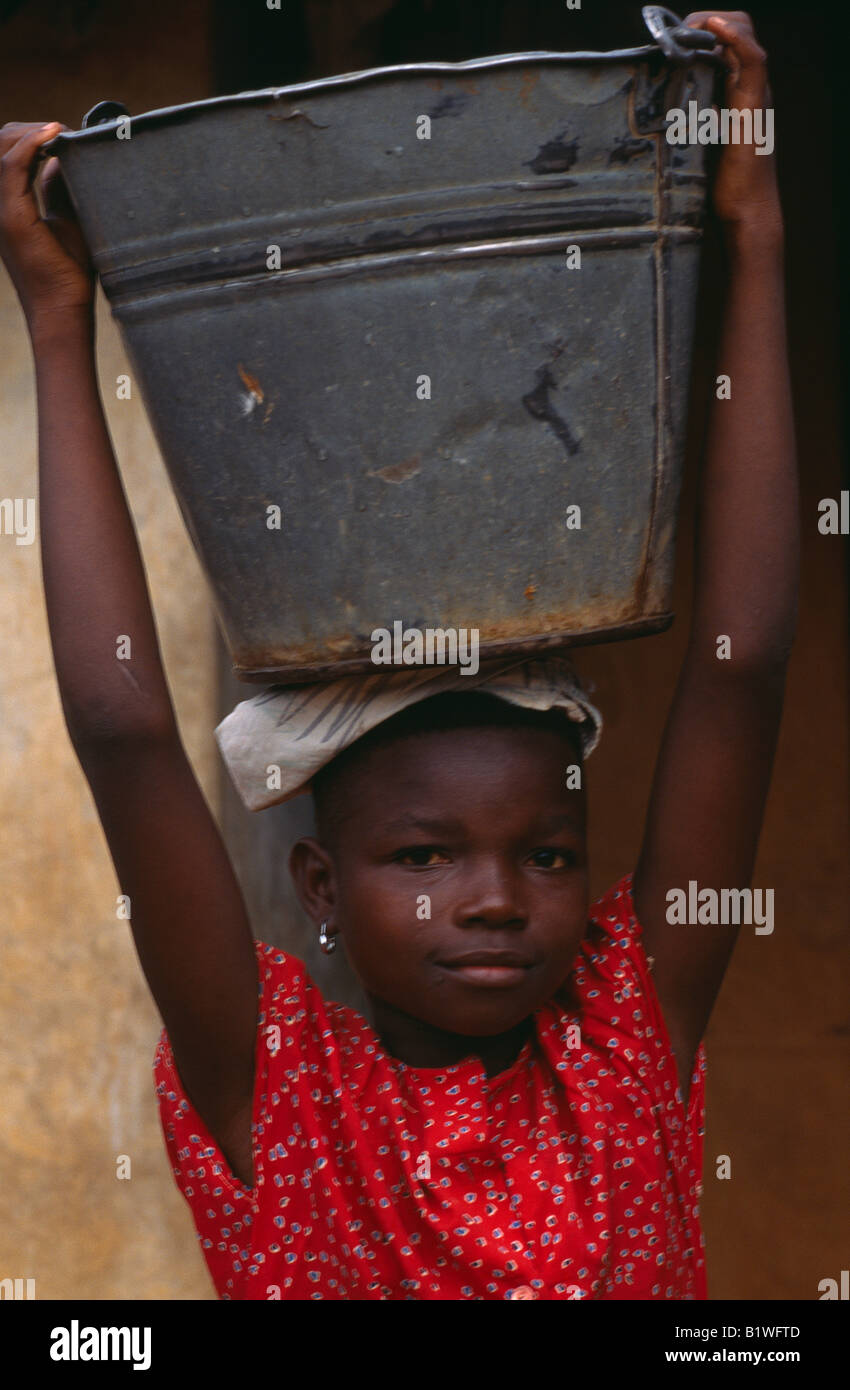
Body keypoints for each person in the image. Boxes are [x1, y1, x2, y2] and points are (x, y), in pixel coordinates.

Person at [0, 11, 796, 1299]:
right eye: (424, 854)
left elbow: (742, 663)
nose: (495, 899)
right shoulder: (276, 1093)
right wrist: (55, 323)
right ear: (317, 881)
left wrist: (750, 233)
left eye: (548, 854)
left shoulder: (625, 1045)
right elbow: (127, 737)